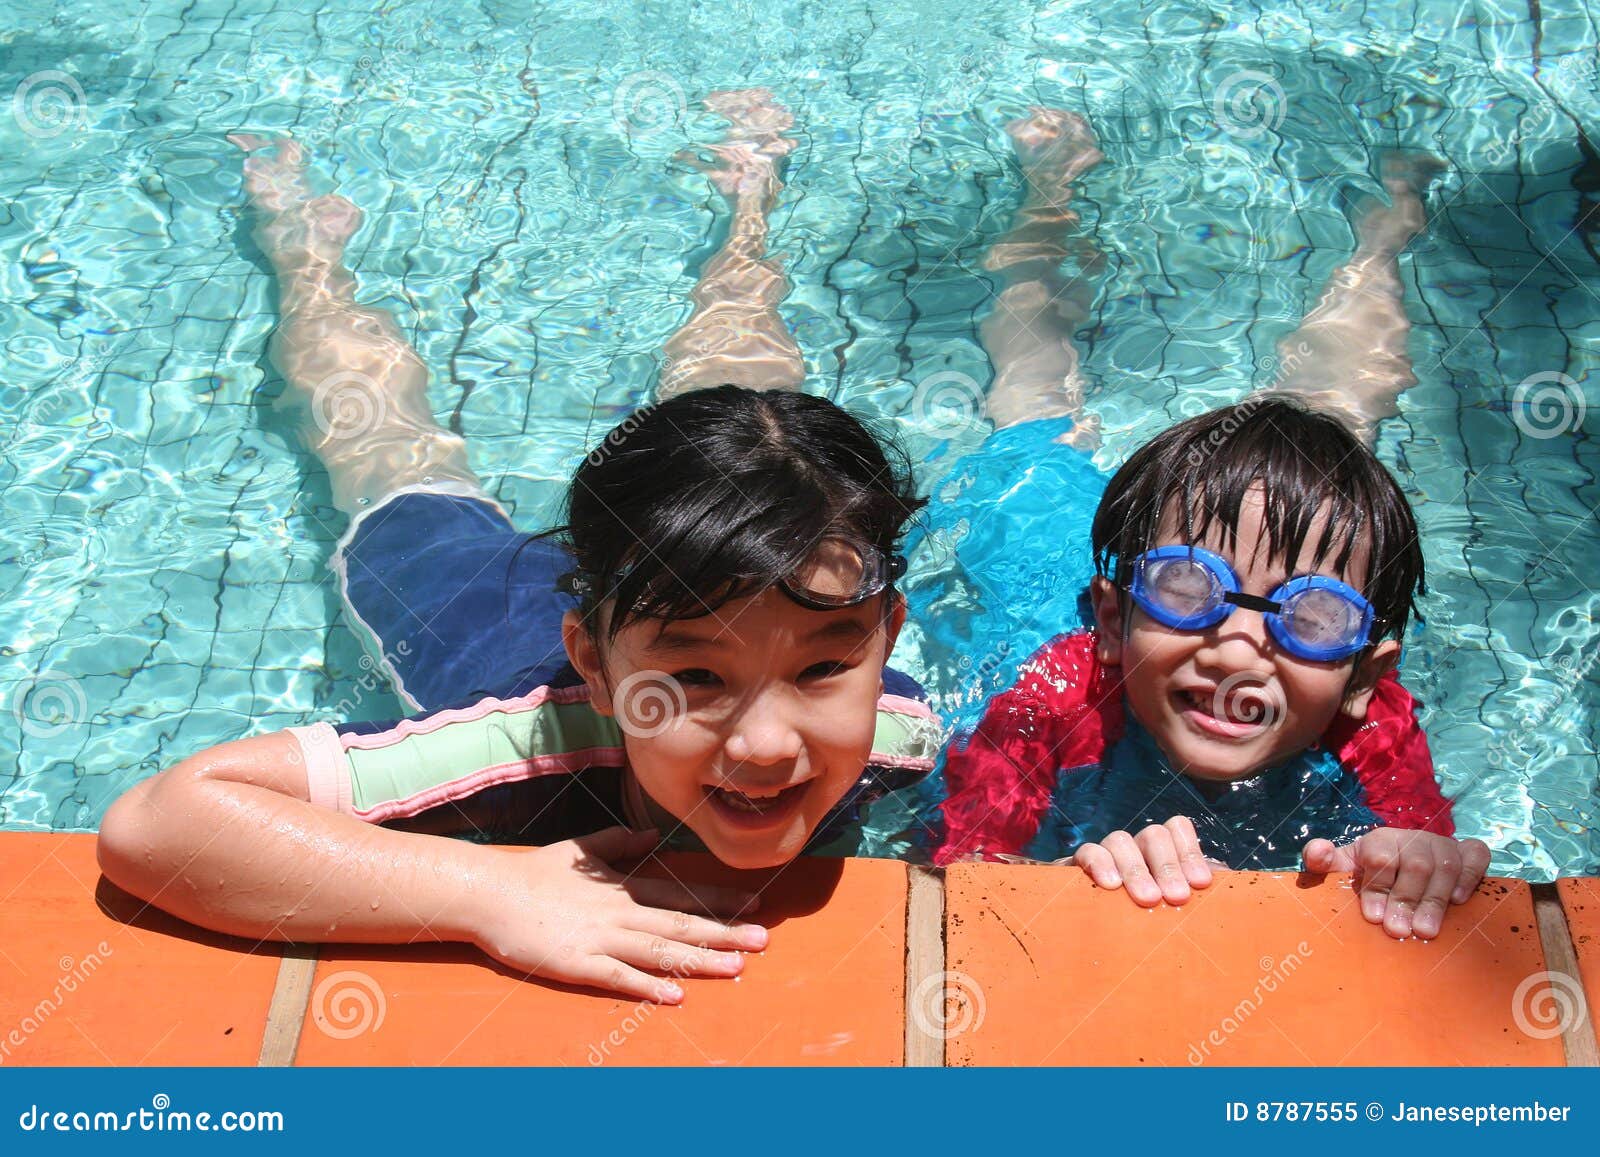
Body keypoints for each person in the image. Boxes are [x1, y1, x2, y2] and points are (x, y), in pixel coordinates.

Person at [97, 90, 941, 1004]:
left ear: (884, 635)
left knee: (752, 450)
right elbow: (158, 824)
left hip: (660, 585)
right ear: (595, 664)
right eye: (697, 680)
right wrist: (486, 889)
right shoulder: (516, 751)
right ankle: (308, 254)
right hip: (472, 601)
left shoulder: (900, 731)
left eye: (821, 670)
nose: (770, 744)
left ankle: (746, 217)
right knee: (383, 443)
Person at [920, 109, 1490, 940]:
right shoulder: (1048, 706)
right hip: (1038, 564)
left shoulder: (1372, 724)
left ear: (1367, 673)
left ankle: (1383, 237)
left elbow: (1420, 853)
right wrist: (1075, 872)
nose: (1239, 645)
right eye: (1191, 590)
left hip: (1193, 554)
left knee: (1332, 444)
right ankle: (1047, 193)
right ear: (1112, 621)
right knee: (1030, 399)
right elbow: (955, 876)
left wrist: (1421, 861)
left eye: (1314, 616)